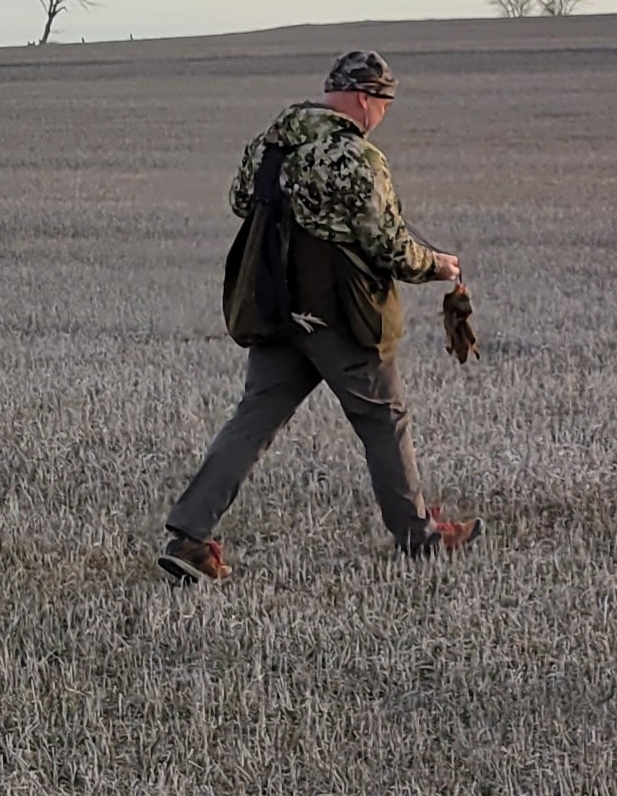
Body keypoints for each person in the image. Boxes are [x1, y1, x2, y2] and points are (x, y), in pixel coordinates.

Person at [159, 49, 481, 583]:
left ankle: (188, 537)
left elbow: (241, 201)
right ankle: (419, 537)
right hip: (339, 313)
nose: (382, 116)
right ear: (364, 97)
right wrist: (438, 266)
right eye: (384, 104)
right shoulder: (355, 156)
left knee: (254, 419)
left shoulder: (272, 141)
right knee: (383, 418)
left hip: (275, 306)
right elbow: (388, 247)